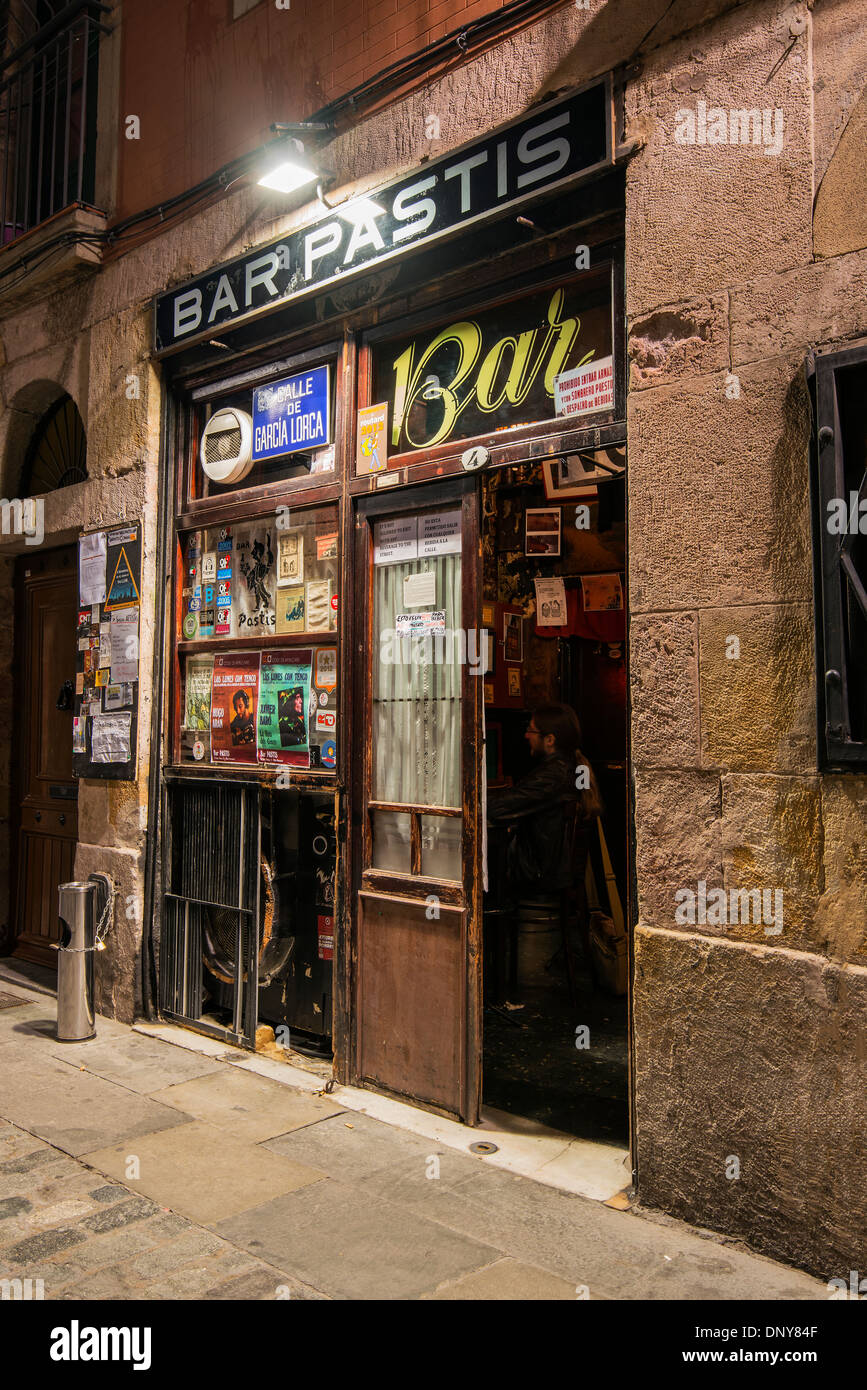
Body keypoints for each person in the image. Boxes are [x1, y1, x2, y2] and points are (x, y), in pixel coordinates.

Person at [487, 703, 601, 898]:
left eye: (531, 730)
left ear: (549, 740)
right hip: (552, 872)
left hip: (538, 874)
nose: (526, 736)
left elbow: (496, 809)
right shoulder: (573, 767)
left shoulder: (551, 776)